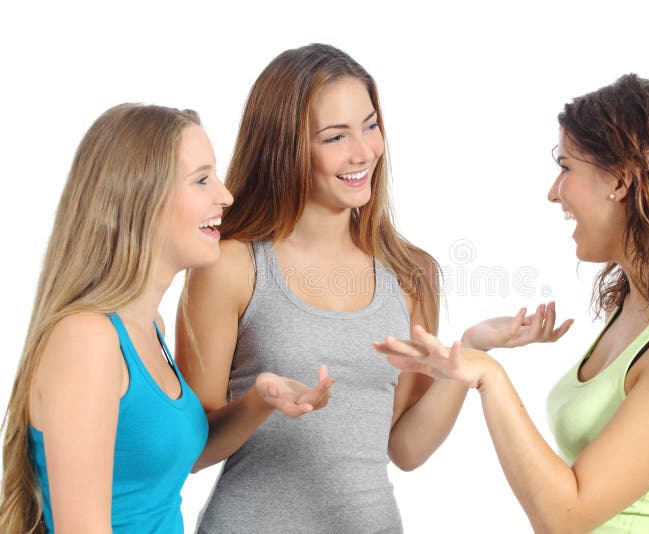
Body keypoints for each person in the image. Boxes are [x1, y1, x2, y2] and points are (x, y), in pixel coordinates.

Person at [375, 74, 649, 533]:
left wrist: (490, 378)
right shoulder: (639, 306)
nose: (554, 192)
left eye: (566, 167)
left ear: (619, 179)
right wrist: (475, 345)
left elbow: (564, 518)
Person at [177, 43, 467, 533]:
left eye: (370, 126)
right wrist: (261, 400)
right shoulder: (231, 265)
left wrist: (469, 362)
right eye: (335, 137)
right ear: (286, 146)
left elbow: (404, 448)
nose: (364, 151)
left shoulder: (412, 274)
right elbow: (191, 451)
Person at [0, 104, 233, 533]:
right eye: (202, 180)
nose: (226, 196)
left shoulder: (150, 329)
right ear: (140, 198)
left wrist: (261, 402)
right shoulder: (87, 339)